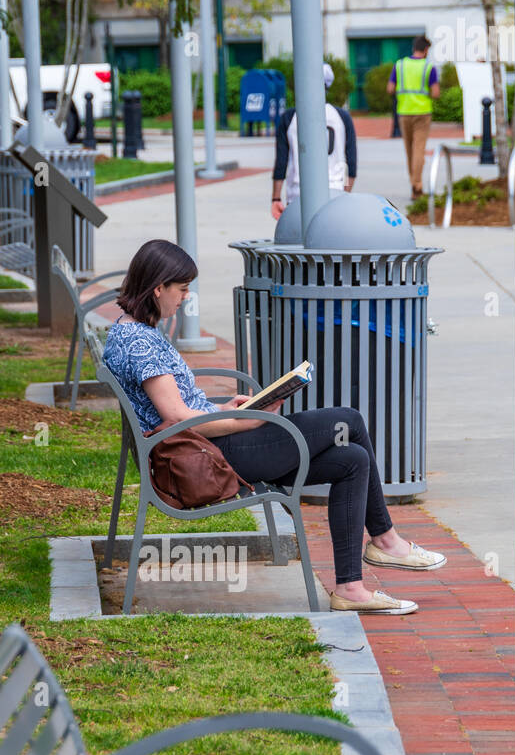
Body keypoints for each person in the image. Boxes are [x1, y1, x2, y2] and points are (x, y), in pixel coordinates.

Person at [102, 240, 446, 615]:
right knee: (349, 419)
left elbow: (179, 407)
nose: (185, 297)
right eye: (182, 289)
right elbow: (178, 419)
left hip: (208, 444)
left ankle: (350, 587)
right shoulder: (140, 342)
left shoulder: (131, 331)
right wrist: (242, 420)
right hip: (212, 456)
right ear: (158, 289)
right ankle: (386, 539)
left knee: (353, 458)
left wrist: (224, 407)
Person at [271, 63, 357, 221]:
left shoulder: (290, 118)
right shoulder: (342, 117)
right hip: (335, 191)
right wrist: (345, 194)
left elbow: (281, 163)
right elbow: (351, 164)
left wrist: (276, 198)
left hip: (298, 193)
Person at [387, 36, 440, 199]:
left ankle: (414, 183)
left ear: (413, 48)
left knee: (409, 150)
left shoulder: (400, 65)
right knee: (419, 149)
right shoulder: (429, 67)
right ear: (425, 50)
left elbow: (390, 89)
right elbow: (436, 93)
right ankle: (417, 185)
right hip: (422, 113)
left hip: (403, 112)